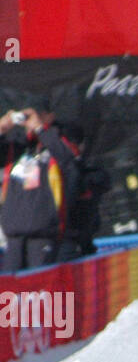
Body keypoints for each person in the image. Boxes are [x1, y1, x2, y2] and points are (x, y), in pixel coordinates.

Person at [0, 101, 82, 273]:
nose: (28, 120)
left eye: (36, 114)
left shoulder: (60, 138)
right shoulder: (17, 147)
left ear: (49, 116)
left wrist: (40, 128)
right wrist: (2, 128)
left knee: (41, 292)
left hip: (45, 234)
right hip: (14, 235)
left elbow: (68, 158)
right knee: (10, 294)